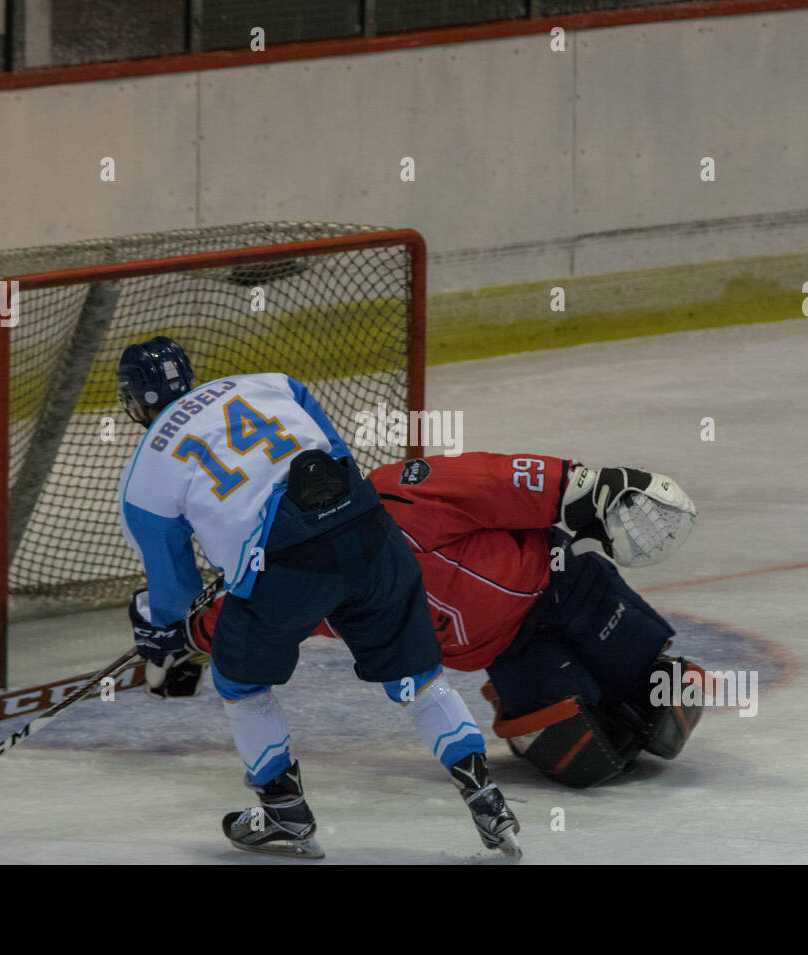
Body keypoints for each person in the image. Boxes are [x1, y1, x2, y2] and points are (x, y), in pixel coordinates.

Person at [114, 337, 520, 858]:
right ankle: (487, 800)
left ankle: (285, 815)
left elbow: (177, 598)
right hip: (371, 533)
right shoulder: (272, 384)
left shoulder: (142, 474)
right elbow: (338, 460)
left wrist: (161, 629)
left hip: (287, 571)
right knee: (418, 678)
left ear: (133, 400)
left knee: (241, 682)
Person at [193, 451, 704, 788]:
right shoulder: (306, 565)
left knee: (668, 703)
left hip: (567, 584)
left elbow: (495, 481)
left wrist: (589, 488)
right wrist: (188, 632)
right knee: (585, 755)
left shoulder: (403, 490)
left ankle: (620, 683)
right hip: (511, 651)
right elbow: (256, 617)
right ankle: (584, 694)